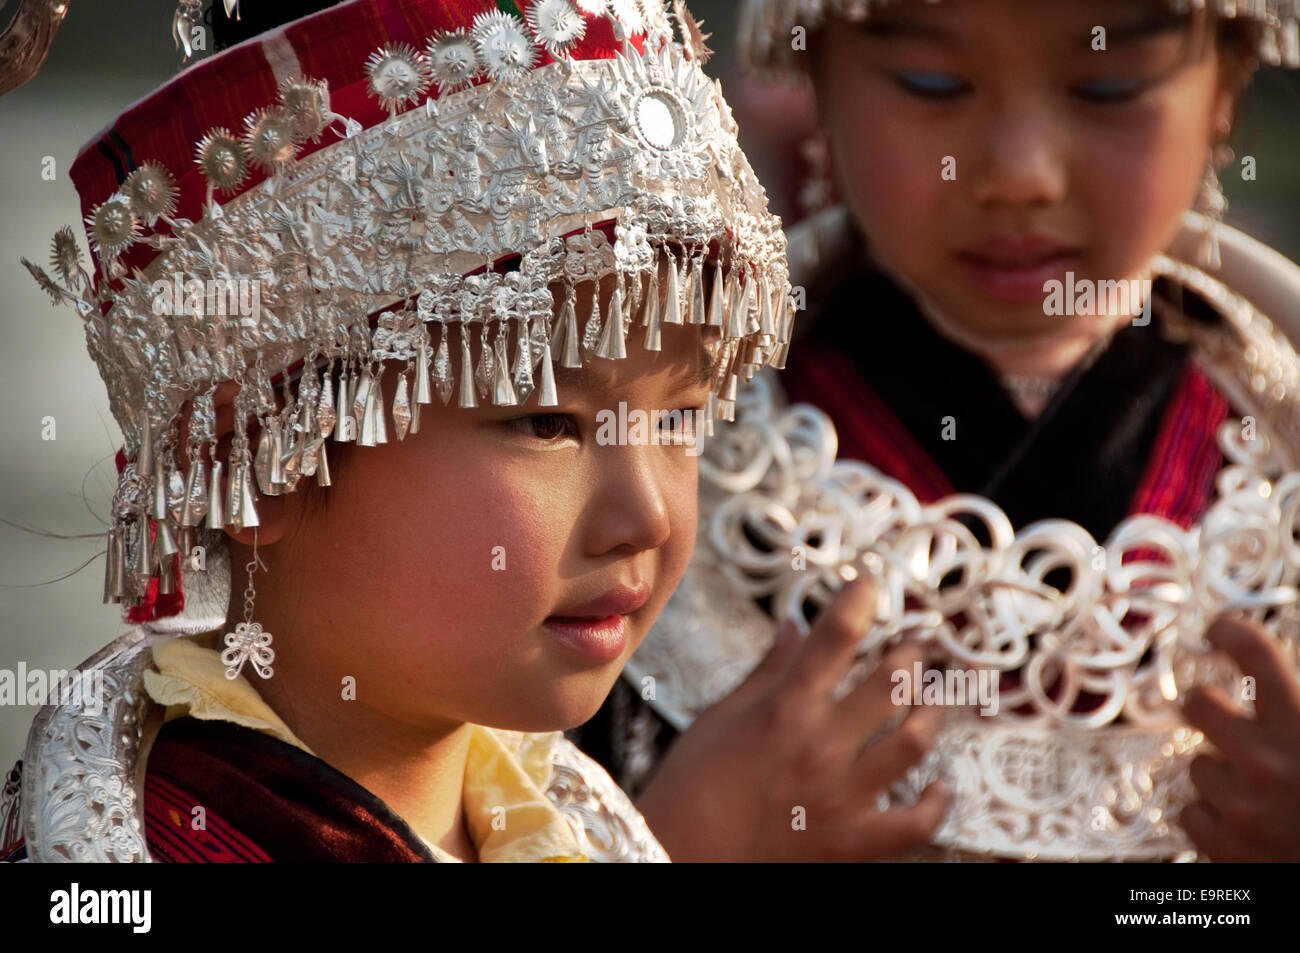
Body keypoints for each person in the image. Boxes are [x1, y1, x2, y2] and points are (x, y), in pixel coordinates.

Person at [0, 0, 794, 862]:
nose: (649, 518)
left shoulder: (569, 817)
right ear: (259, 453)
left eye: (679, 418)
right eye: (546, 422)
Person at [571, 0, 1300, 861]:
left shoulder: (1276, 453)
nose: (1019, 175)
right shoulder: (626, 481)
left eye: (1108, 86)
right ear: (817, 81)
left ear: (1226, 94)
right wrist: (682, 843)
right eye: (933, 82)